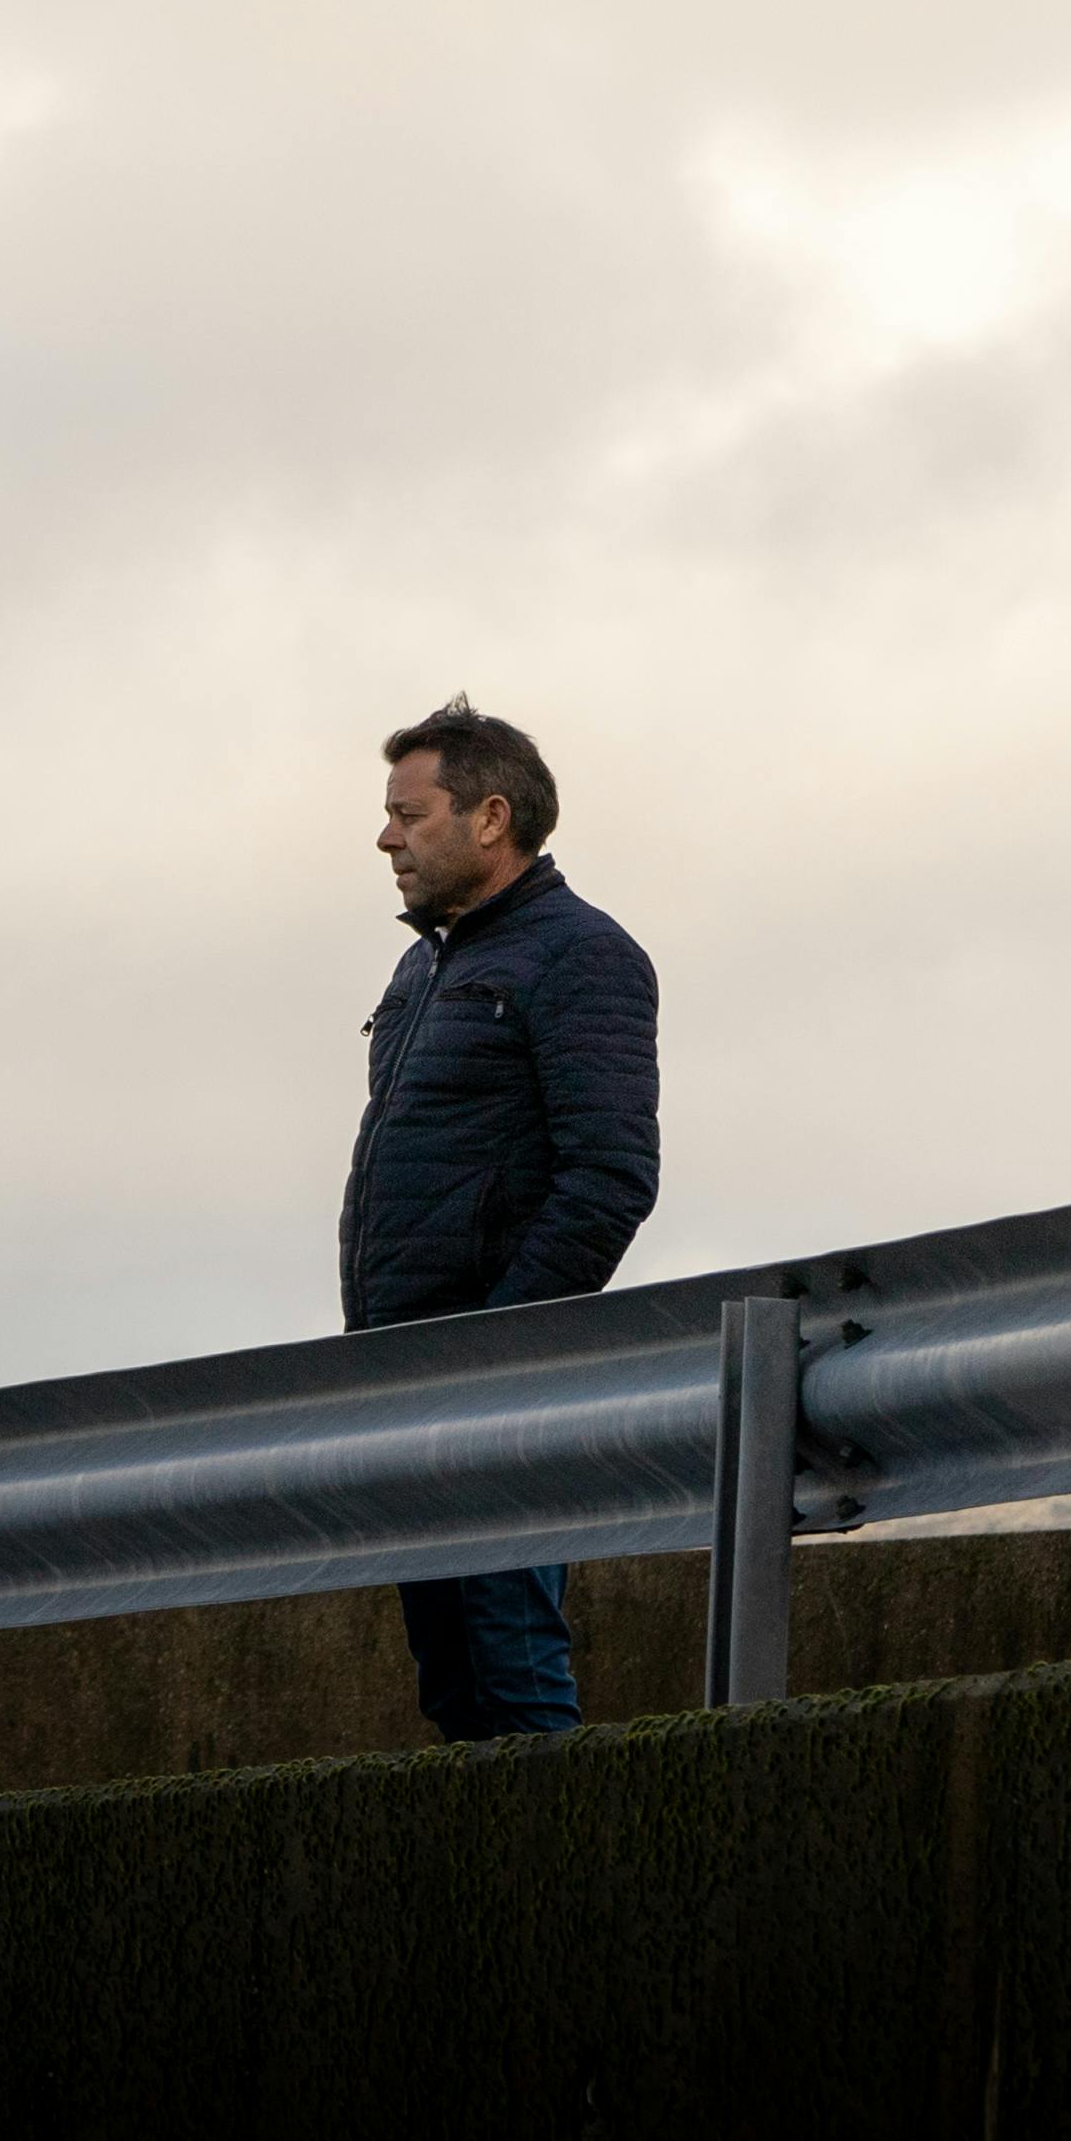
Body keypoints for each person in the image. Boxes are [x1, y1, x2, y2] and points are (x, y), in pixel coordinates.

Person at [340, 697, 661, 1740]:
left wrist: (504, 1343)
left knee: (514, 1683)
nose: (386, 836)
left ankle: (567, 1898)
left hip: (497, 1386)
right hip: (406, 1376)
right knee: (456, 1693)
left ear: (490, 816)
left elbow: (610, 1178)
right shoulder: (424, 965)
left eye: (407, 811)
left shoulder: (580, 954)